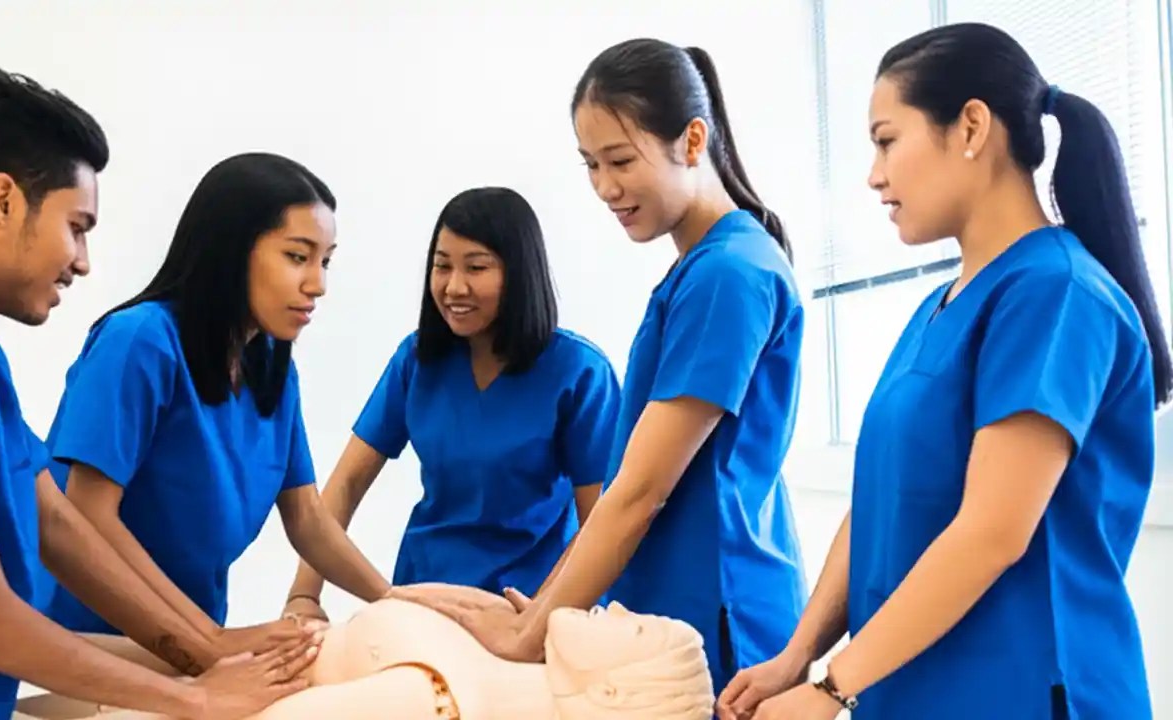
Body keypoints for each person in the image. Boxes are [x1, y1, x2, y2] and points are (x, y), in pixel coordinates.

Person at [716, 22, 1173, 720]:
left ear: (970, 127)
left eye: (887, 139)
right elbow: (878, 506)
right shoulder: (942, 305)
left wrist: (834, 687)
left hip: (1029, 691)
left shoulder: (1056, 293)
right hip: (916, 690)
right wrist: (797, 655)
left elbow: (993, 530)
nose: (874, 173)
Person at [0, 66, 315, 720]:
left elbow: (58, 522)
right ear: (3, 200)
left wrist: (206, 648)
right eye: (77, 226)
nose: (84, 260)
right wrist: (192, 696)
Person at [393, 38, 808, 698]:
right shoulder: (703, 269)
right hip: (670, 608)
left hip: (722, 616)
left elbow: (638, 493)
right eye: (590, 165)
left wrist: (531, 634)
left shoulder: (728, 275)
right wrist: (543, 614)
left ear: (693, 140)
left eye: (619, 161)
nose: (604, 188)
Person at [42, 152, 392, 642]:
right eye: (298, 256)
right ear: (232, 249)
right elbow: (88, 513)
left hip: (190, 645)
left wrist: (395, 601)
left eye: (325, 261)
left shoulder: (271, 366)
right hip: (87, 644)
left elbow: (307, 519)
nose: (318, 284)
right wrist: (208, 642)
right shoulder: (139, 342)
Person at [282, 186, 620, 621]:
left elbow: (601, 525)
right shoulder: (417, 360)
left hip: (531, 605)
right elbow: (344, 485)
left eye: (476, 267)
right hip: (425, 599)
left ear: (520, 273)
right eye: (442, 267)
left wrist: (542, 614)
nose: (454, 286)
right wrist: (304, 596)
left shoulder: (579, 372)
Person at [17, 594, 715, 720]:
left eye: (639, 630)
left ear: (615, 697)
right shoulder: (493, 654)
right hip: (217, 677)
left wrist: (189, 698)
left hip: (213, 703)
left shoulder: (435, 701)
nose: (621, 608)